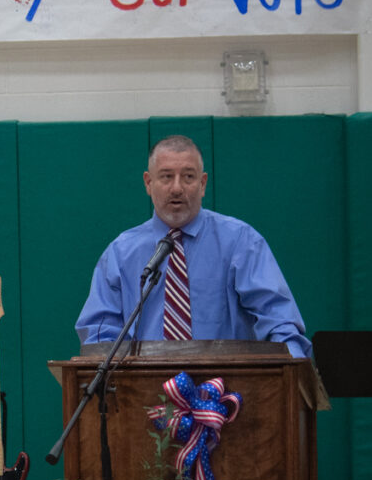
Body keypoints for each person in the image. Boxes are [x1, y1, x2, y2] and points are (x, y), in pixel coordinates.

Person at [75, 134, 312, 358]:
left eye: (188, 177)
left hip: (227, 392)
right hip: (142, 391)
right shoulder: (121, 253)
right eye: (166, 176)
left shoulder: (241, 242)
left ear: (203, 183)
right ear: (148, 183)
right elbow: (99, 337)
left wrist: (292, 368)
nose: (177, 188)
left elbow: (278, 319)